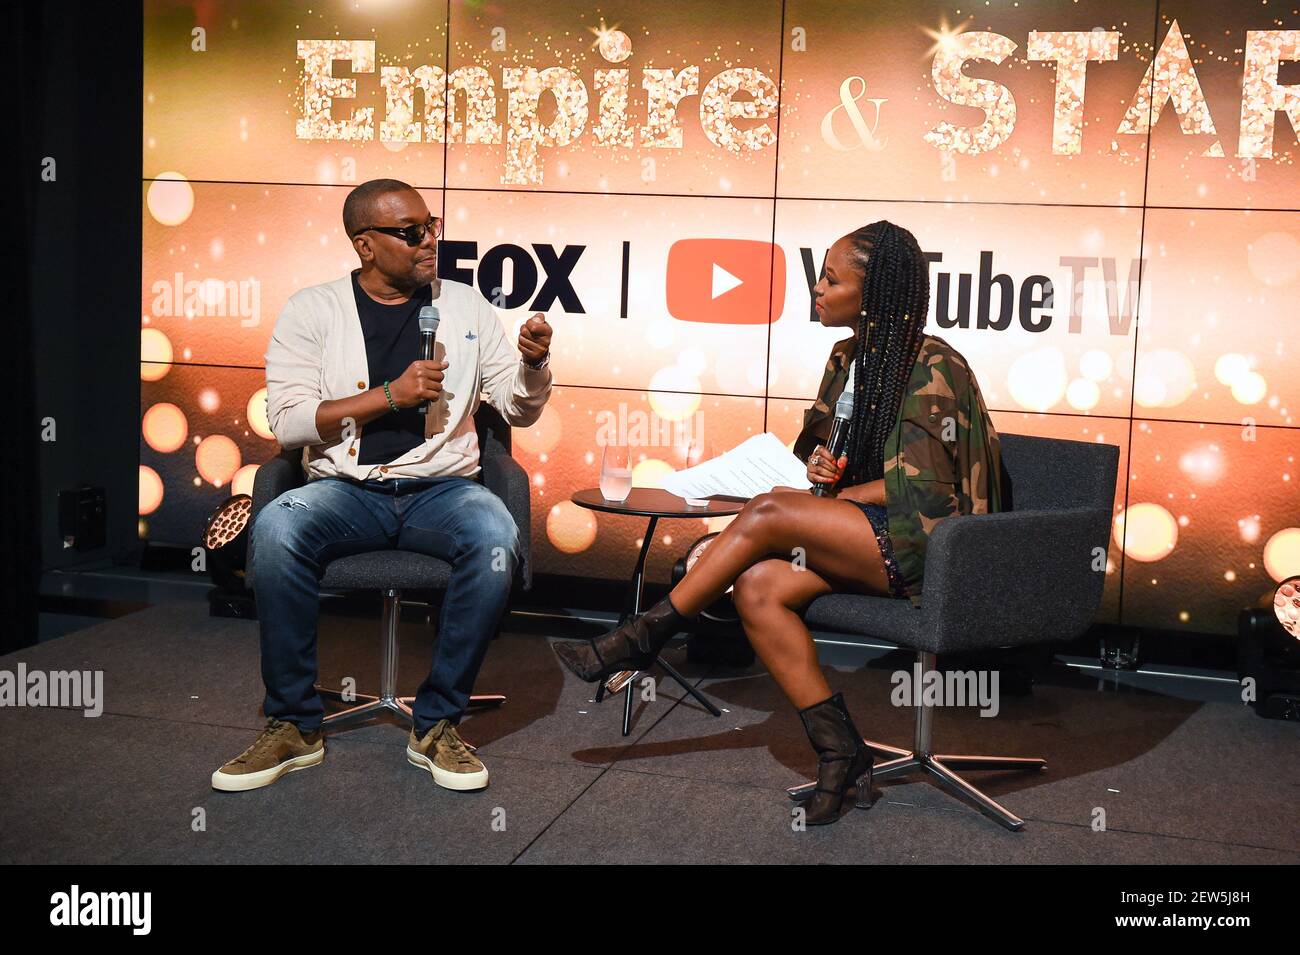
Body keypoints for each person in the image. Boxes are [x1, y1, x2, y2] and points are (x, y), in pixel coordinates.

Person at [553, 220, 1004, 824]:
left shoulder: (932, 365)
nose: (816, 289)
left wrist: (835, 495)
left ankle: (644, 636)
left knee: (769, 509)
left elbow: (923, 488)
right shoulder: (847, 358)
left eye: (830, 278)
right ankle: (842, 753)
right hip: (864, 534)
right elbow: (817, 462)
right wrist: (823, 467)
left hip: (931, 546)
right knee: (758, 587)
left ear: (874, 292)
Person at [212, 179, 554, 794]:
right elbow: (287, 422)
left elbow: (516, 407)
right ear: (365, 246)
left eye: (431, 225)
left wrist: (533, 366)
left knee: (495, 534)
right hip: (346, 489)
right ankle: (292, 723)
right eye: (410, 232)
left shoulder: (466, 306)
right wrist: (389, 396)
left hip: (444, 489)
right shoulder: (313, 310)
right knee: (278, 526)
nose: (429, 242)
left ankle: (438, 722)